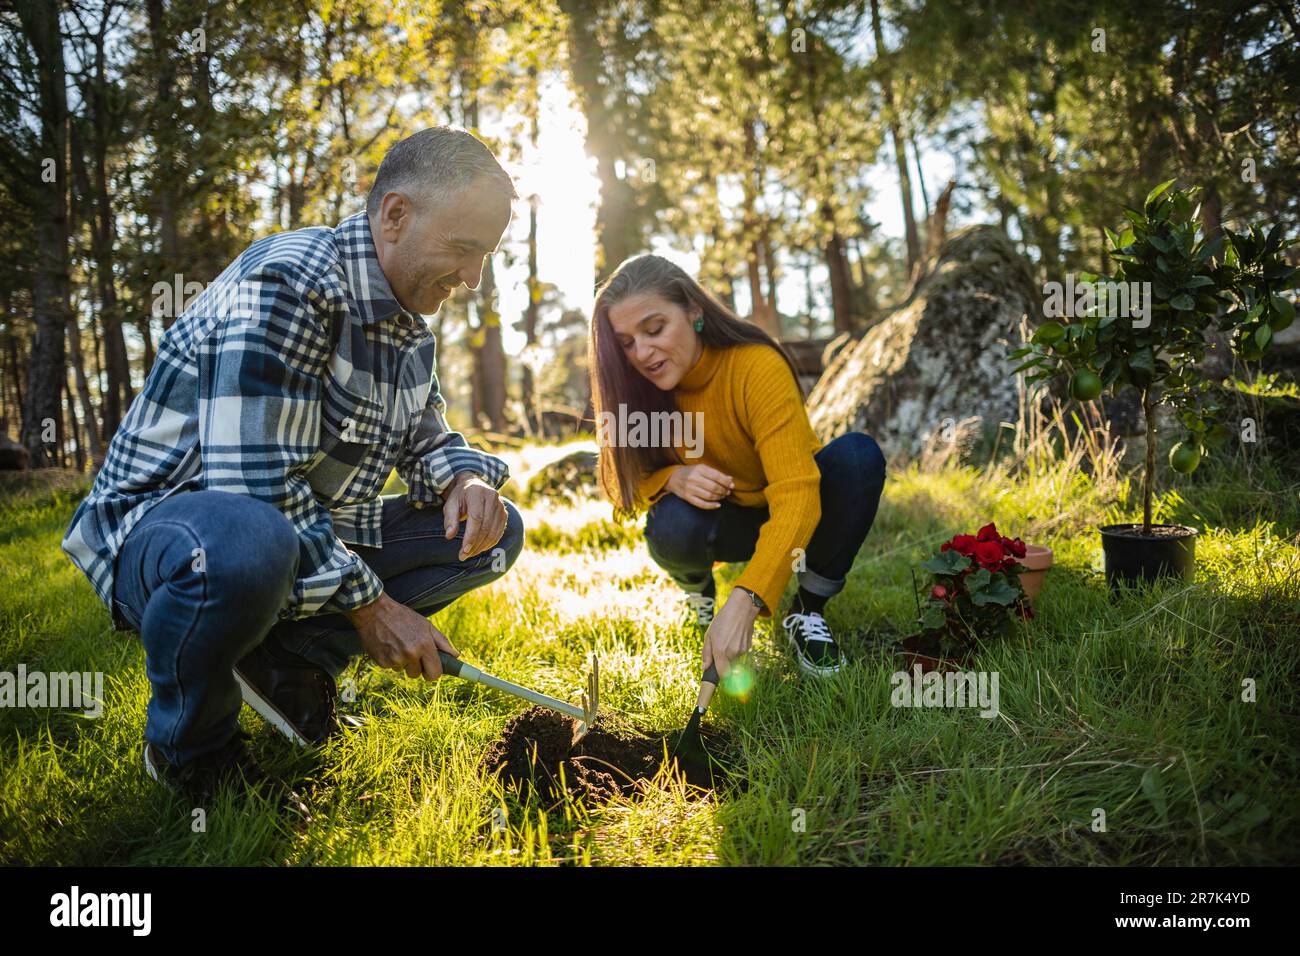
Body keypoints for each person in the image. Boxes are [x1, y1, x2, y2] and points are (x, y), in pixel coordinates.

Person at [62, 127, 524, 807]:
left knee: (492, 533)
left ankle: (288, 662)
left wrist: (466, 479)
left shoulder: (404, 326)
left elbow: (428, 433)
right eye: (462, 249)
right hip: (176, 540)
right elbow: (253, 488)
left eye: (484, 255)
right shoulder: (285, 284)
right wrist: (373, 607)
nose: (472, 278)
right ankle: (192, 749)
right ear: (395, 215)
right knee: (252, 543)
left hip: (289, 539)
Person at [588, 255, 886, 681]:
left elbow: (797, 492)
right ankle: (700, 598)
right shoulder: (639, 387)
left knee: (858, 458)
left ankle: (807, 611)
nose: (642, 352)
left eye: (654, 329)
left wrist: (748, 596)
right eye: (627, 342)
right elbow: (624, 486)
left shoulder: (754, 366)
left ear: (693, 311)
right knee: (671, 519)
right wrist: (672, 477)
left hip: (794, 514)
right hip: (726, 520)